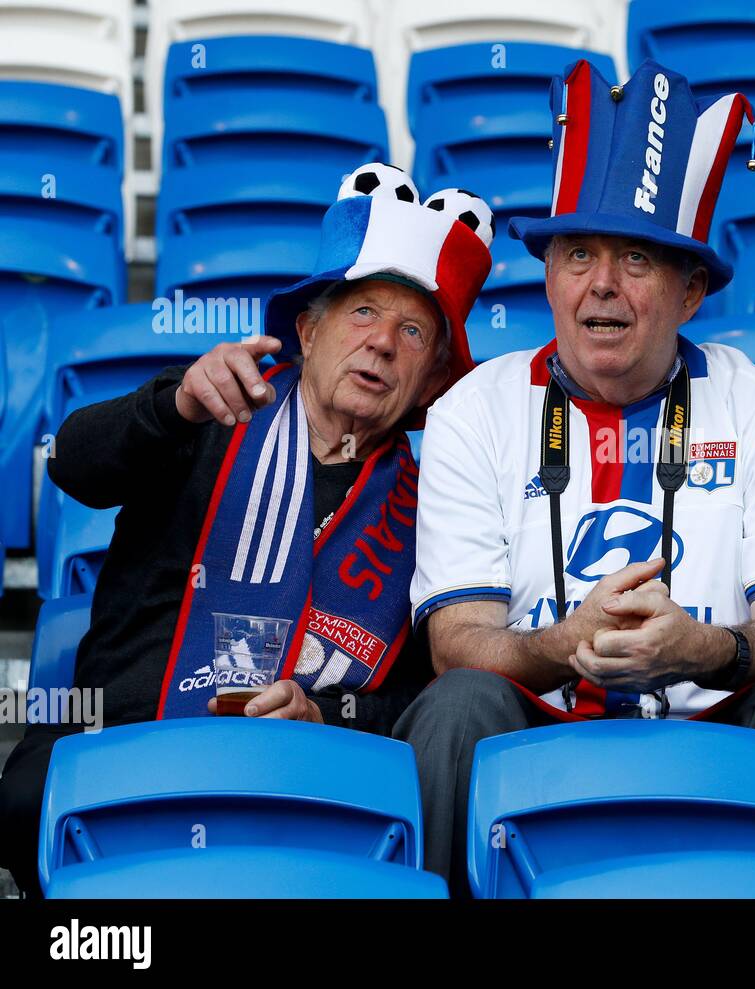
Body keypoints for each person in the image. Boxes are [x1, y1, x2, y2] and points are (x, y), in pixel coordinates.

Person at [394, 59, 755, 895]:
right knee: (458, 702)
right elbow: (457, 638)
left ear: (689, 295)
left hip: (715, 718)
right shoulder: (474, 408)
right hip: (540, 723)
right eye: (577, 254)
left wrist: (703, 649)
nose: (601, 284)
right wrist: (568, 644)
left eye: (636, 260)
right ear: (547, 276)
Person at [0, 164, 493, 895]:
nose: (383, 342)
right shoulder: (208, 407)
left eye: (413, 330)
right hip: (132, 740)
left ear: (431, 382)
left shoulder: (439, 509)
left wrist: (324, 712)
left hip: (310, 772)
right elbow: (74, 463)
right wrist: (171, 409)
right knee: (26, 790)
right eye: (361, 312)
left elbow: (417, 701)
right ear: (307, 329)